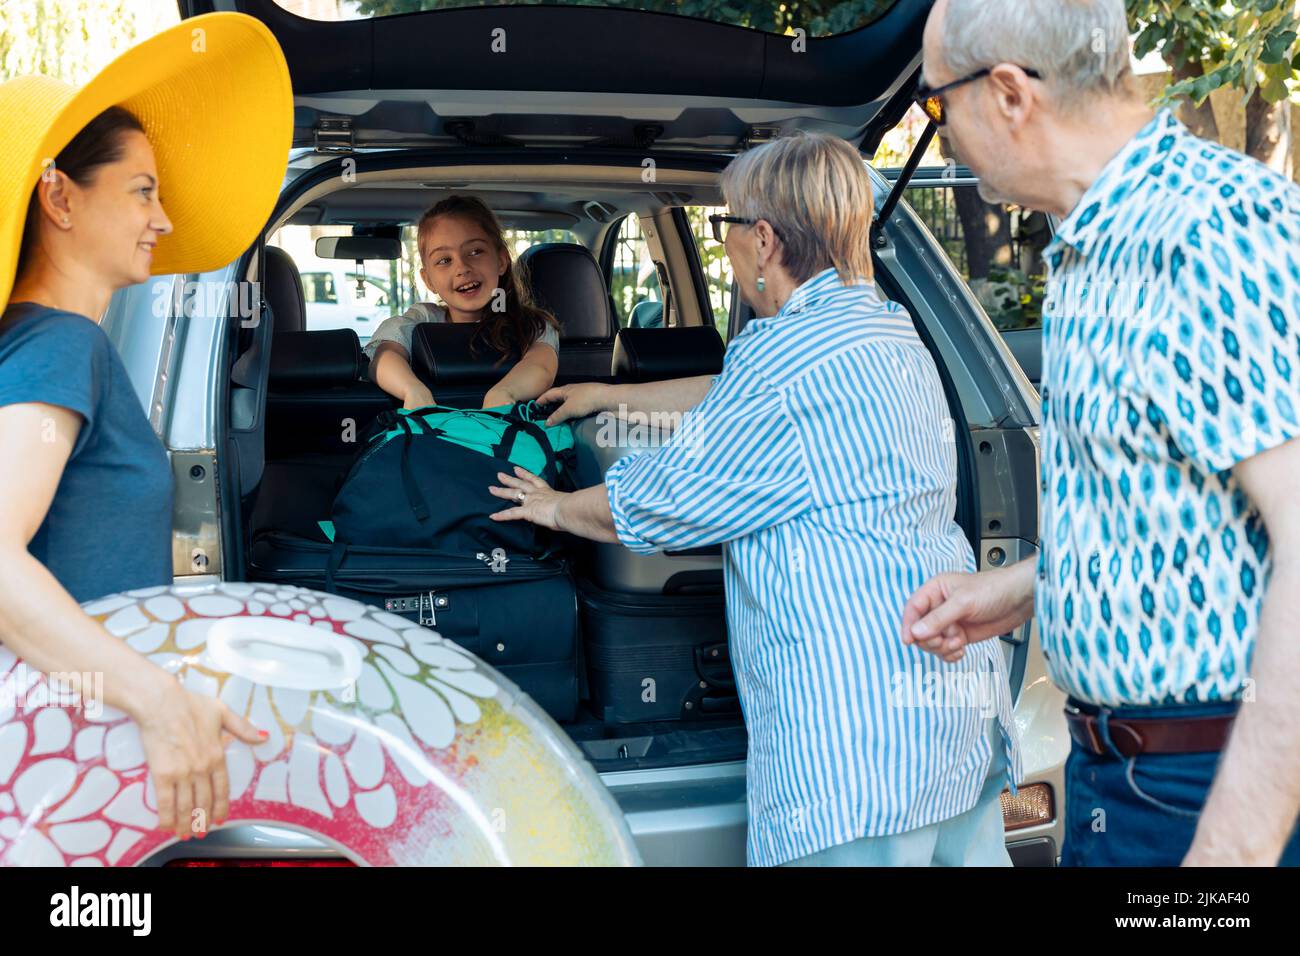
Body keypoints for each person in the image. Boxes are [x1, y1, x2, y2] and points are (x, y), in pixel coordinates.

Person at [486, 132, 1022, 867]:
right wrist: (611, 394)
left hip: (857, 752)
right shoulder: (884, 325)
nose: (728, 241)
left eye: (727, 224)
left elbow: (658, 500)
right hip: (953, 711)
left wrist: (552, 506)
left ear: (763, 240)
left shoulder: (785, 364)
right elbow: (745, 399)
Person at [902, 0, 1300, 866]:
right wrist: (1012, 592)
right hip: (1116, 782)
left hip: (1209, 790)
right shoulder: (1090, 248)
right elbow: (1174, 512)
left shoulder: (1210, 237)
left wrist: (1227, 860)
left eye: (937, 106)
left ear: (1009, 93)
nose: (941, 134)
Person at [0, 13, 294, 843]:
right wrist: (157, 700)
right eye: (142, 190)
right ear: (58, 195)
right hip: (52, 761)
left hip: (57, 752)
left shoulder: (44, 344)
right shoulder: (62, 346)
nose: (163, 220)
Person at [364, 196, 561, 410]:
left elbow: (541, 366)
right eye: (444, 260)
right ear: (428, 280)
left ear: (502, 261)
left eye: (475, 251)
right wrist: (413, 390)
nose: (462, 268)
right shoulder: (423, 319)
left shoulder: (533, 325)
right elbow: (385, 356)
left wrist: (503, 393)